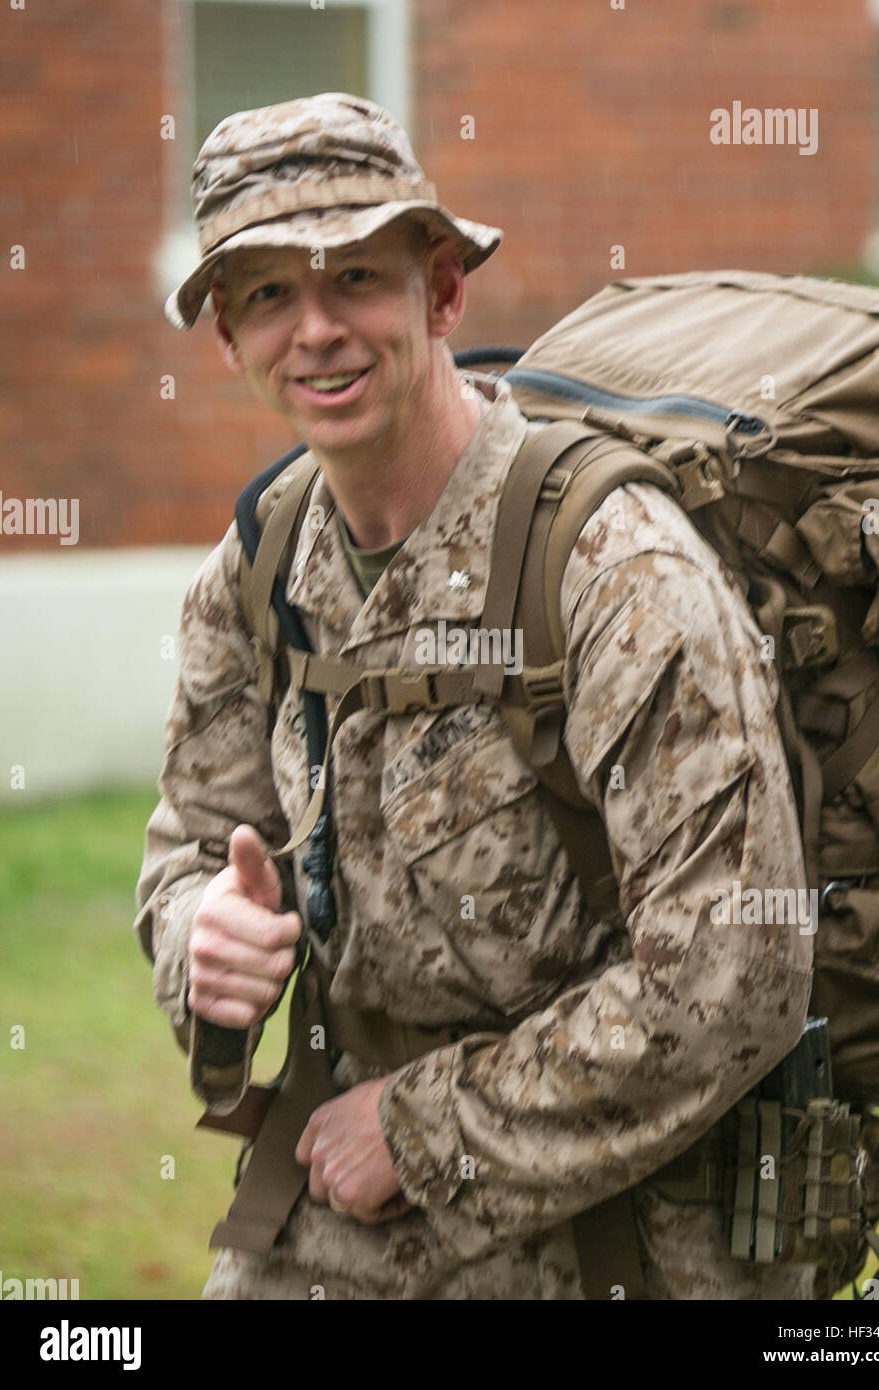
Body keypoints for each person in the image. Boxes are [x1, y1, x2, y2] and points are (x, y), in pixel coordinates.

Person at [135, 90, 816, 1299]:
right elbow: (188, 851)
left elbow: (736, 973)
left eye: (354, 278)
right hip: (330, 1231)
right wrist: (205, 939)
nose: (316, 332)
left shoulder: (615, 567)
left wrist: (421, 1128)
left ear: (440, 291)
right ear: (226, 339)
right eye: (266, 295)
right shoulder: (254, 569)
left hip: (610, 1244)